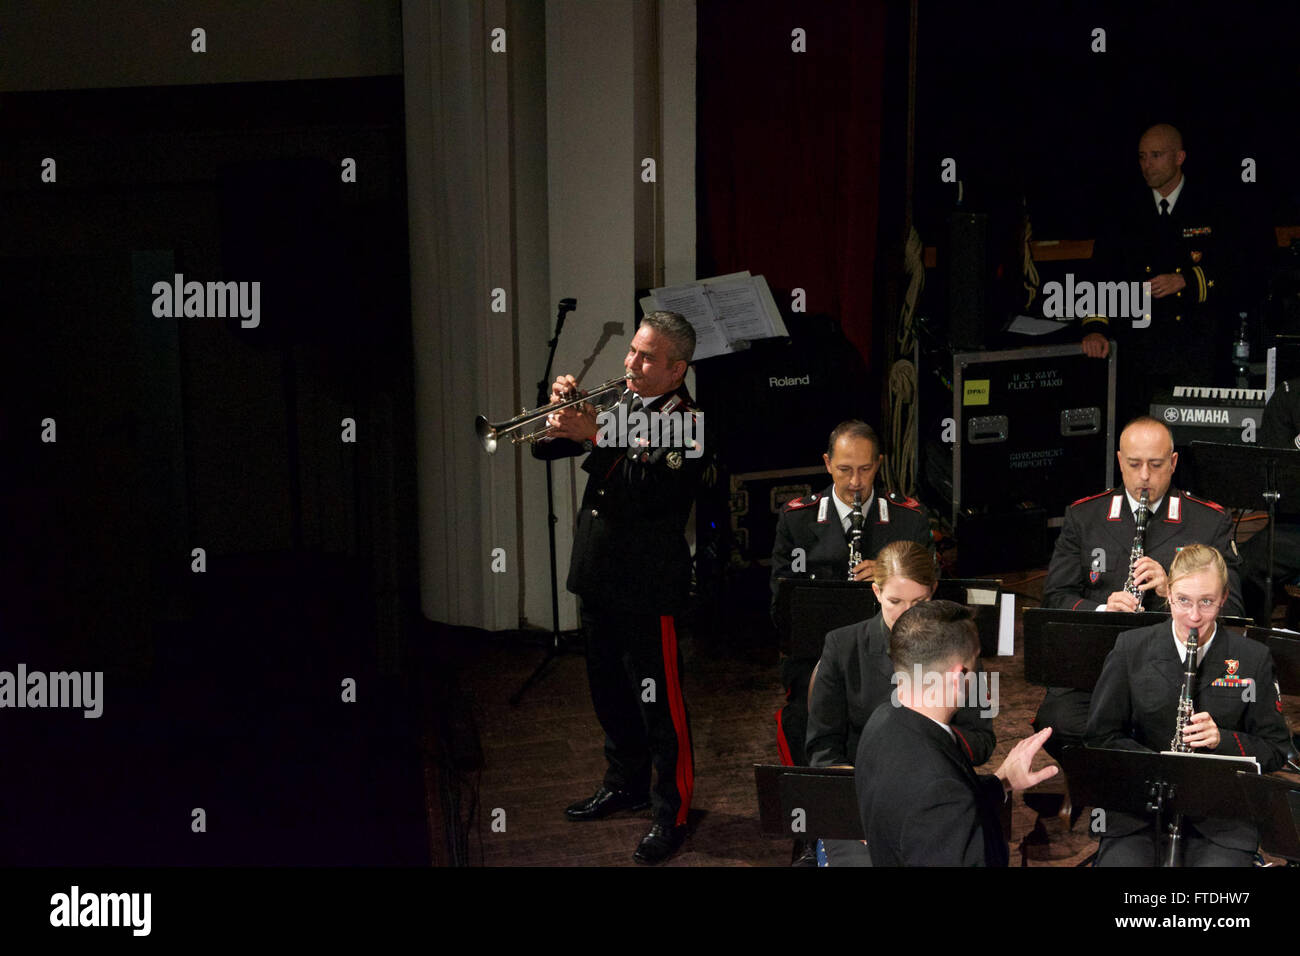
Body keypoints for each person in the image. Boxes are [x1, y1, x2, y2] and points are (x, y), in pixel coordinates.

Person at [533, 310, 703, 864]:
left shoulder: (687, 423)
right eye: (632, 350)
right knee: (609, 692)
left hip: (648, 587)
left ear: (677, 370)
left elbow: (645, 495)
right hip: (600, 576)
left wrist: (597, 433)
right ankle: (624, 782)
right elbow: (544, 448)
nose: (630, 362)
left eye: (646, 357)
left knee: (662, 708)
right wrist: (562, 408)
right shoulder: (623, 402)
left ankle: (671, 812)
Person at [1034, 416, 1243, 758]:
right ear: (1120, 461)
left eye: (1156, 464)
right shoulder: (1084, 516)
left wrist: (1171, 591)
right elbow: (1055, 598)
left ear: (1173, 463)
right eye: (1134, 464)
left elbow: (1234, 610)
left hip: (1176, 674)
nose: (1144, 476)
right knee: (1057, 719)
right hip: (1097, 670)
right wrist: (1102, 610)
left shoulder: (1208, 522)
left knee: (1180, 726)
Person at [1085, 544, 1292, 866]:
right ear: (1168, 594)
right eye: (1183, 601)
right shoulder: (1131, 648)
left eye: (1207, 602)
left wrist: (1221, 740)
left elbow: (1276, 749)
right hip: (1140, 808)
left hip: (1222, 814)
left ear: (1223, 598)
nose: (1194, 616)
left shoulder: (1253, 659)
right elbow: (1100, 736)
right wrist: (1159, 767)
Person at [770, 420, 931, 767]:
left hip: (893, 650)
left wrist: (892, 573)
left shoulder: (909, 519)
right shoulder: (797, 519)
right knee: (803, 714)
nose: (855, 482)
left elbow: (932, 591)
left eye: (865, 469)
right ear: (827, 463)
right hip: (817, 652)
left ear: (879, 463)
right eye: (844, 470)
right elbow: (780, 606)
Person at [855, 601, 1058, 866]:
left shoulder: (881, 720)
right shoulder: (939, 795)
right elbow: (940, 798)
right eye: (977, 660)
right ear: (959, 676)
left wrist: (1002, 781)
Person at [1081, 124, 1230, 421]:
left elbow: (1236, 269)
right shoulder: (1125, 211)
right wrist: (1095, 327)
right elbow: (1101, 274)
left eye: (1156, 155)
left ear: (1179, 157)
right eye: (1142, 157)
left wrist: (1186, 281)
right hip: (1139, 351)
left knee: (1187, 443)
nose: (1147, 165)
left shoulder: (1211, 205)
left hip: (1194, 351)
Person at [806, 540, 995, 770]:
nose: (908, 614)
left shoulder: (961, 645)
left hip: (936, 780)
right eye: (895, 602)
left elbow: (983, 741)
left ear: (933, 590)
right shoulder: (841, 646)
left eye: (919, 602)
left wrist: (933, 735)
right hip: (864, 781)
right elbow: (822, 746)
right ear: (877, 592)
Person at [1240, 378, 1300, 621]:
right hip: (1293, 527)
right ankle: (1251, 644)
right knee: (1248, 565)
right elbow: (1275, 475)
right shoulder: (1289, 395)